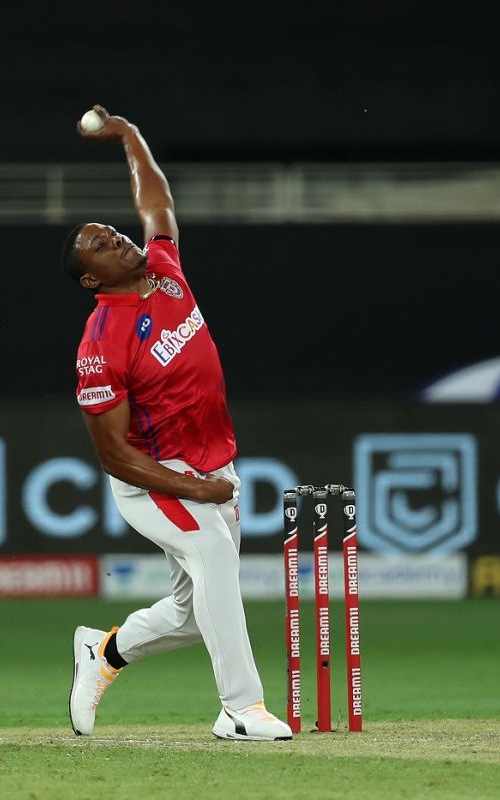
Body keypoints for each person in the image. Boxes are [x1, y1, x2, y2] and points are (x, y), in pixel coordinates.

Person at [61, 105, 291, 742]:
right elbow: (113, 455)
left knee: (196, 612)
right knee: (214, 552)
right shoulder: (100, 342)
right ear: (90, 278)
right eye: (102, 245)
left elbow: (156, 202)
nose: (119, 239)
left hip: (213, 465)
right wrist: (197, 490)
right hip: (155, 480)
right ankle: (241, 709)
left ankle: (102, 652)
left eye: (113, 231)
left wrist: (130, 137)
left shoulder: (164, 272)